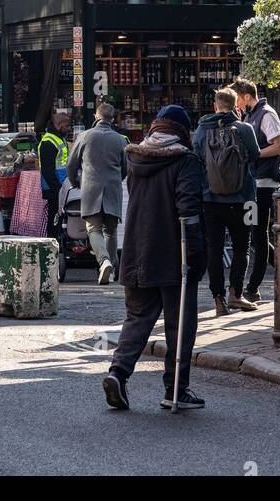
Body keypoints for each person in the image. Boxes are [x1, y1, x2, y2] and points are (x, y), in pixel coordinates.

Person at [103, 104, 207, 412]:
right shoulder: (185, 160)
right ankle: (176, 389)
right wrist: (197, 255)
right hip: (173, 254)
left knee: (137, 318)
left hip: (136, 250)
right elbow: (188, 210)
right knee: (180, 323)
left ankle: (117, 373)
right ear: (182, 132)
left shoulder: (136, 159)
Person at [194, 87, 261, 316]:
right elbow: (255, 155)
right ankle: (236, 293)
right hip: (243, 199)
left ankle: (219, 300)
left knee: (214, 248)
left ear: (215, 105)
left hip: (210, 199)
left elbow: (196, 160)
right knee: (243, 246)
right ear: (236, 107)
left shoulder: (202, 130)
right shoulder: (245, 128)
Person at [234, 78, 280, 304]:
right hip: (254, 184)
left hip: (264, 183)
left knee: (258, 233)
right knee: (255, 232)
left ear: (246, 96)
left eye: (237, 98)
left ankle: (253, 287)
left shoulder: (266, 114)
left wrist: (254, 154)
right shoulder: (250, 116)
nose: (236, 103)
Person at [66, 102, 128, 285]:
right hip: (113, 189)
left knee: (93, 228)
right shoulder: (120, 140)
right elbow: (126, 168)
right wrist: (116, 180)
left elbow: (71, 164)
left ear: (96, 116)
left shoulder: (85, 136)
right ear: (113, 118)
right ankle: (113, 267)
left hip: (91, 189)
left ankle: (104, 261)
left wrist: (76, 182)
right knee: (111, 230)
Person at [38, 110, 71, 239]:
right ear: (59, 124)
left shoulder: (58, 138)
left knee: (59, 216)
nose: (69, 129)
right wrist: (58, 189)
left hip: (61, 185)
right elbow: (47, 170)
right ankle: (52, 241)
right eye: (67, 126)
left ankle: (58, 240)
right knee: (54, 216)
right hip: (54, 187)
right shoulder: (49, 141)